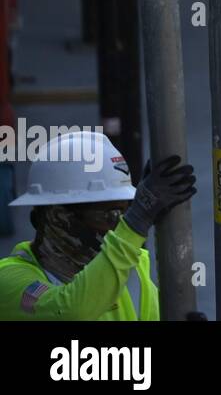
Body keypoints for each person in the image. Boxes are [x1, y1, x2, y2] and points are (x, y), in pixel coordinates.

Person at [0, 131, 196, 320]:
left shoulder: (130, 275)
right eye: (109, 215)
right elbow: (72, 312)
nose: (119, 226)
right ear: (56, 218)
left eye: (125, 213)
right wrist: (137, 220)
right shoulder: (9, 280)